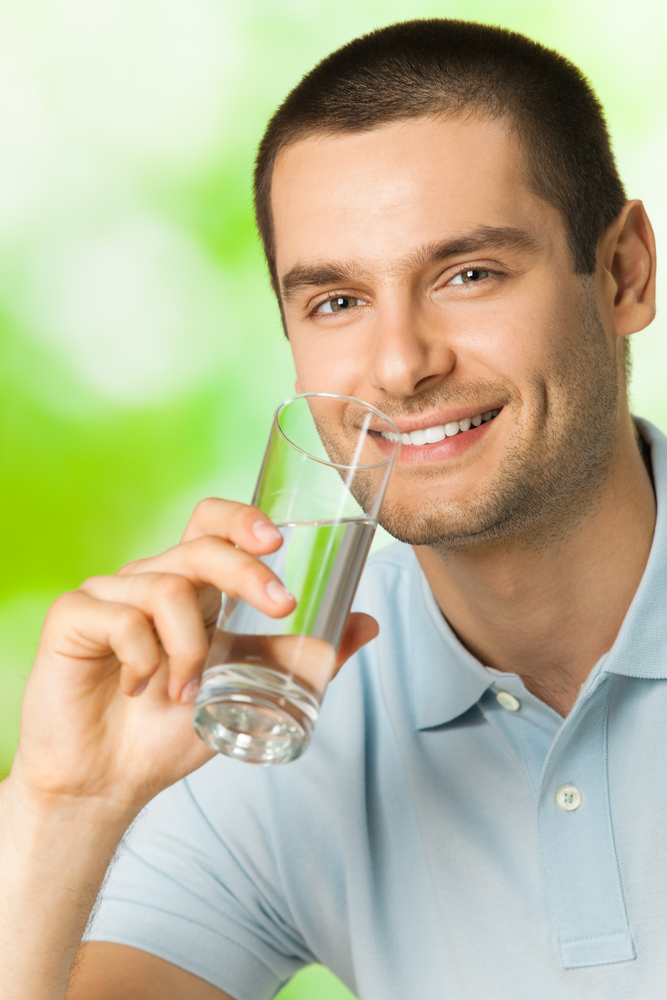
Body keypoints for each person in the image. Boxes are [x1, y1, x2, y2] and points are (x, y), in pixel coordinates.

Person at [0, 17, 661, 1000]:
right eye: (337, 301)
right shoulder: (270, 703)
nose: (400, 365)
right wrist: (64, 805)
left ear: (622, 274)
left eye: (468, 274)